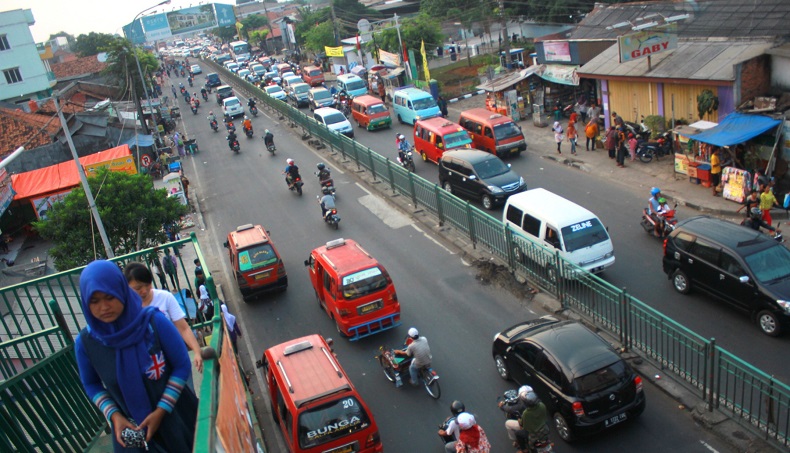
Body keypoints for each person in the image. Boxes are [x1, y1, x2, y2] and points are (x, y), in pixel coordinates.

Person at [75, 260, 197, 452]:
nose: (104, 307)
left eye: (109, 297)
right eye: (94, 301)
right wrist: (114, 415)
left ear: (122, 292)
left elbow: (181, 365)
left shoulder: (153, 322)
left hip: (176, 416)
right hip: (133, 432)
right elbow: (91, 384)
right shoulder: (87, 343)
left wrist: (161, 410)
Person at [123, 262, 203, 373]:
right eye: (138, 288)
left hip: (175, 356)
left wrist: (197, 351)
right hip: (149, 365)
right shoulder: (125, 308)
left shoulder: (165, 297)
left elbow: (183, 328)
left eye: (147, 285)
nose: (144, 291)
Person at [499, 385, 531, 451]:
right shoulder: (538, 404)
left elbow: (508, 409)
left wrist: (502, 406)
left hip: (529, 426)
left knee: (508, 424)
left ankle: (518, 443)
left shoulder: (518, 407)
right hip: (539, 424)